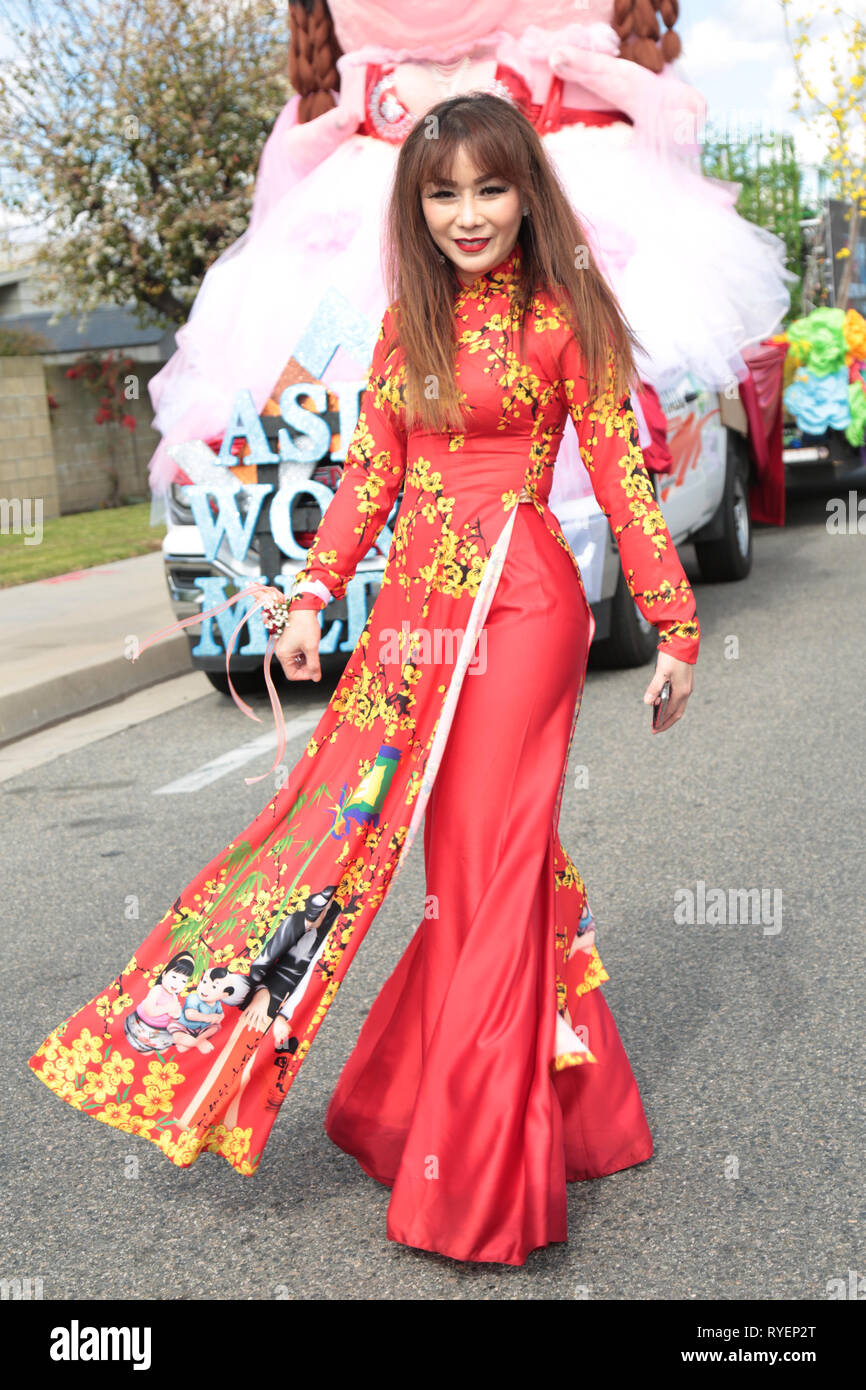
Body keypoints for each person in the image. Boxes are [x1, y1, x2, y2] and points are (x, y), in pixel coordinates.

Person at [28, 92, 699, 1267]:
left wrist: (674, 625)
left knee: (491, 874)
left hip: (520, 604)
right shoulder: (405, 330)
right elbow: (367, 480)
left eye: (490, 188)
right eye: (442, 194)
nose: (468, 214)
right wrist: (305, 596)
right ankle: (568, 1115)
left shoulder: (563, 317)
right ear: (415, 206)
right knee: (461, 868)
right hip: (411, 617)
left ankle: (480, 1187)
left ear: (526, 192)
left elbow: (623, 479)